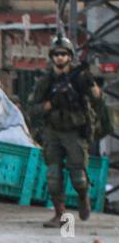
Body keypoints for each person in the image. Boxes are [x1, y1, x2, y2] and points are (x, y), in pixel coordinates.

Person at [31, 37, 101, 224]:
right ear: (51, 57)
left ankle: (83, 197)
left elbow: (96, 97)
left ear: (69, 56)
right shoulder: (46, 81)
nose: (60, 57)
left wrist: (90, 80)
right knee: (53, 176)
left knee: (78, 177)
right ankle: (60, 214)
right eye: (56, 54)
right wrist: (47, 105)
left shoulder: (79, 77)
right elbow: (33, 108)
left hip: (74, 131)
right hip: (53, 130)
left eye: (63, 54)